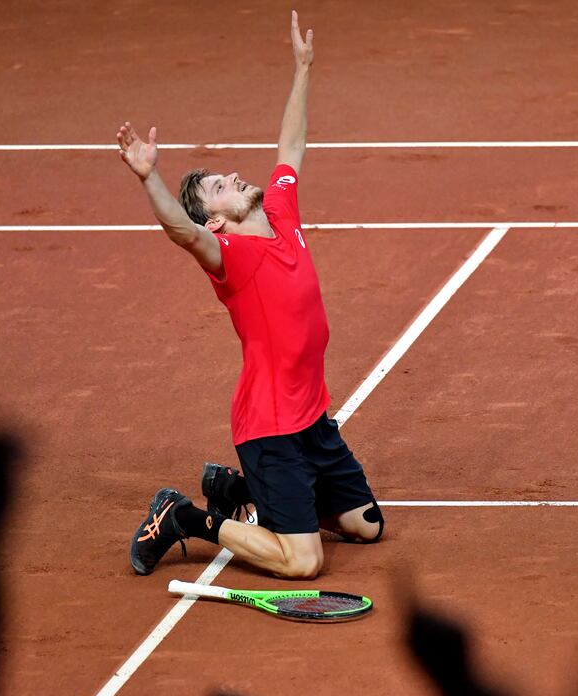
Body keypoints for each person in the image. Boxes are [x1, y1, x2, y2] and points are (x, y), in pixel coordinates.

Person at [117, 10, 383, 580]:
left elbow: (291, 146)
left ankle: (236, 491)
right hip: (270, 429)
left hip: (311, 419)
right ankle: (182, 516)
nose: (234, 176)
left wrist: (303, 69)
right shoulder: (229, 258)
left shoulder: (281, 212)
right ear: (216, 221)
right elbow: (181, 231)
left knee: (367, 524)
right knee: (304, 562)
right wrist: (149, 178)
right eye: (219, 187)